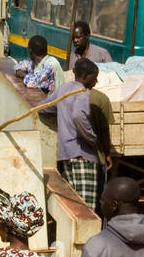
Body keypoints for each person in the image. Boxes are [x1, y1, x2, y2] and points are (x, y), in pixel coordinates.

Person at [38, 59, 104, 211]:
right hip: (82, 155)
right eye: (94, 77)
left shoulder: (63, 89)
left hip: (65, 154)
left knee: (74, 205)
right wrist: (93, 140)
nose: (96, 81)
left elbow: (43, 108)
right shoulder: (83, 93)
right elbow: (78, 116)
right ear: (86, 76)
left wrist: (61, 110)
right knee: (87, 208)